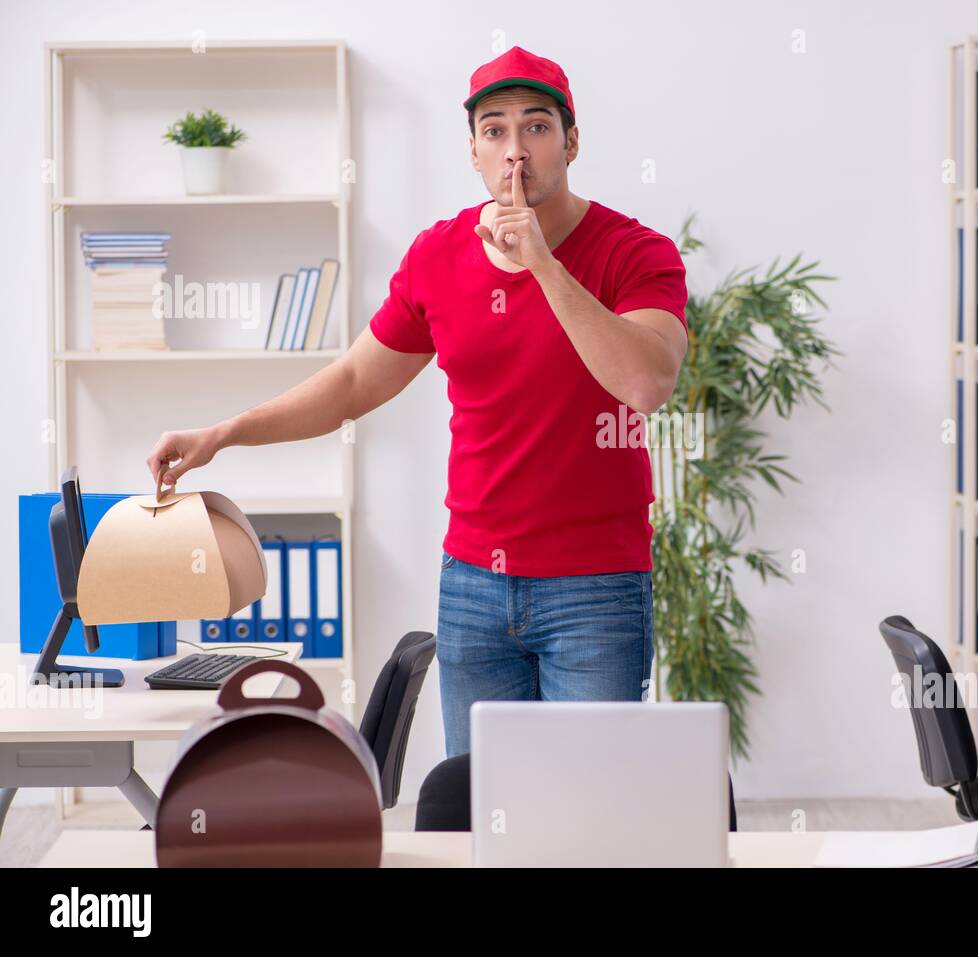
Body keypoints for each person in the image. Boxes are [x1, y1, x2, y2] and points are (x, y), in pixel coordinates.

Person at [145, 46, 689, 757]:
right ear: (472, 150)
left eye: (536, 127)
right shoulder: (438, 255)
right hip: (474, 587)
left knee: (586, 809)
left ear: (571, 141)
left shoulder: (633, 252)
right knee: (479, 808)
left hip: (595, 589)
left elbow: (645, 383)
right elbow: (351, 385)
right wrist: (225, 432)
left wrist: (543, 268)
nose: (515, 151)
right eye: (494, 130)